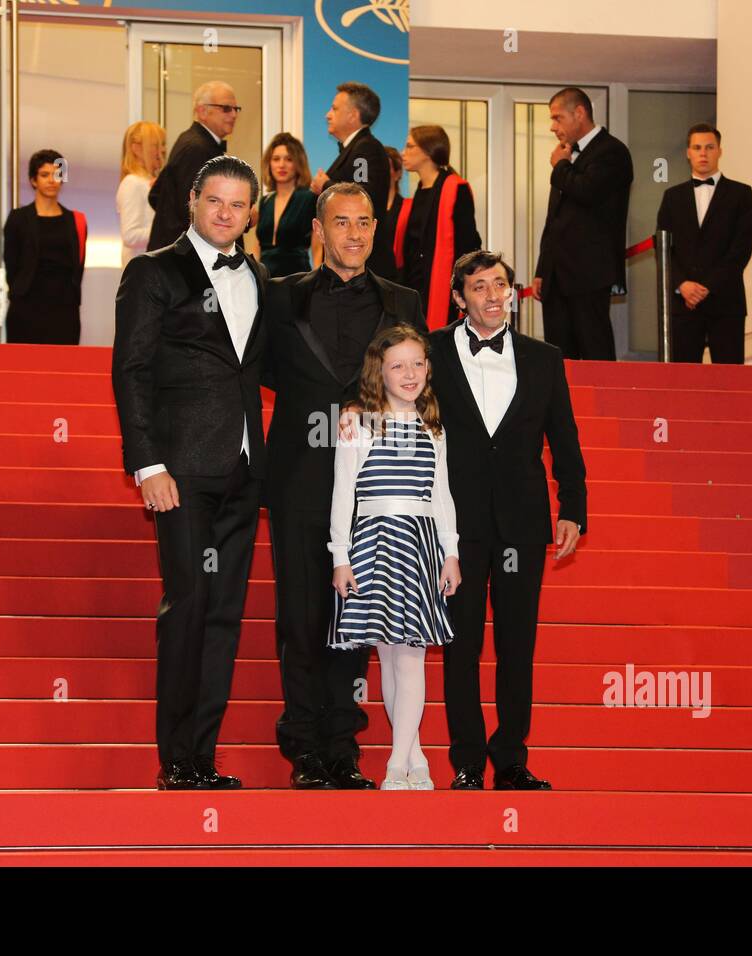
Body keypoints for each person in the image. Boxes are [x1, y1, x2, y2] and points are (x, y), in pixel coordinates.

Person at [111, 155, 269, 790]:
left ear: (250, 214)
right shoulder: (154, 271)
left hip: (243, 469)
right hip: (180, 473)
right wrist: (147, 464)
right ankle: (174, 759)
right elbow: (131, 371)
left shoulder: (258, 274)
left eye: (238, 205)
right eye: (215, 202)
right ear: (192, 203)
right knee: (189, 605)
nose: (226, 214)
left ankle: (203, 757)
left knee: (225, 613)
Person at [262, 182, 425, 789]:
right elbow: (262, 373)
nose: (354, 234)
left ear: (375, 230)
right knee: (301, 613)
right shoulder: (278, 298)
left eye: (364, 223)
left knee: (355, 618)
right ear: (319, 231)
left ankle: (343, 747)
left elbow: (416, 388)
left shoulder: (403, 300)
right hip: (299, 475)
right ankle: (304, 747)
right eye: (341, 223)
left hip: (375, 480)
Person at [430, 251, 587, 790]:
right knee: (462, 644)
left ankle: (512, 760)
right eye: (480, 287)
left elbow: (563, 437)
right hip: (454, 524)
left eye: (502, 284)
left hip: (522, 520)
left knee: (517, 644)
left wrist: (574, 507)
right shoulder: (429, 352)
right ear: (459, 298)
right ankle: (468, 763)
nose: (495, 295)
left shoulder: (544, 357)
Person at [328, 324, 460, 791]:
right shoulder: (357, 423)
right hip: (374, 542)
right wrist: (340, 556)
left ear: (429, 368)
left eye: (417, 364)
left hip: (420, 544)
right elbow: (343, 493)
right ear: (378, 372)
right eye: (397, 365)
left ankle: (395, 765)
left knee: (411, 657)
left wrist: (451, 552)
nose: (410, 374)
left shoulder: (433, 426)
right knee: (388, 655)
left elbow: (441, 494)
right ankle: (415, 758)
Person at [532, 87, 633, 361]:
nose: (553, 127)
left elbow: (588, 192)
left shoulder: (612, 151)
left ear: (579, 113)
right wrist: (543, 269)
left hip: (589, 273)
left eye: (557, 118)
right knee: (558, 356)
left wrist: (560, 167)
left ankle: (604, 405)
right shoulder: (566, 154)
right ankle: (564, 405)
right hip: (557, 275)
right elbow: (555, 218)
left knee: (594, 350)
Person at [654, 123, 752, 364]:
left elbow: (740, 250)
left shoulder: (741, 194)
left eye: (709, 147)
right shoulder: (672, 196)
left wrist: (706, 287)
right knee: (682, 382)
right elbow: (663, 247)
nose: (703, 153)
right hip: (682, 304)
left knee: (729, 382)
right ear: (688, 152)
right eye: (697, 147)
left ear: (720, 151)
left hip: (726, 302)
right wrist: (682, 284)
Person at [393, 125, 481, 329]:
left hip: (442, 288)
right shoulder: (418, 193)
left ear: (428, 151)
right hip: (415, 286)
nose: (403, 153)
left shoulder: (456, 188)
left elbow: (468, 244)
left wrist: (461, 289)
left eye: (409, 146)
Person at [311, 82, 397, 280]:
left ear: (352, 115)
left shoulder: (365, 149)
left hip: (366, 267)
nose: (327, 114)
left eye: (334, 108)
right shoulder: (356, 149)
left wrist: (324, 185)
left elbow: (363, 195)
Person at [2, 149, 87, 345]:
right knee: (24, 371)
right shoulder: (18, 219)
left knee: (62, 370)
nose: (51, 180)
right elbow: (11, 265)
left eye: (57, 174)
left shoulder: (76, 221)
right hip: (26, 308)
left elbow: (78, 266)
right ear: (33, 180)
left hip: (65, 310)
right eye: (44, 175)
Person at [146, 81, 239, 251]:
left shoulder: (194, 142)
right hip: (184, 258)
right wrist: (242, 217)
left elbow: (156, 195)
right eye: (226, 108)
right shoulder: (197, 149)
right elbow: (194, 209)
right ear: (202, 111)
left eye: (236, 109)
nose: (233, 114)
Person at [255, 132, 315, 277]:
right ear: (269, 164)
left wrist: (320, 284)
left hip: (297, 279)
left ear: (298, 163)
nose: (281, 165)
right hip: (266, 279)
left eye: (289, 159)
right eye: (276, 159)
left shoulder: (309, 198)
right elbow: (258, 246)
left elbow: (318, 246)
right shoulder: (265, 201)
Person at [117, 121, 167, 266]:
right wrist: (166, 227)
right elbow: (130, 235)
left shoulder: (148, 182)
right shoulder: (132, 183)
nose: (162, 150)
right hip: (143, 272)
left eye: (163, 144)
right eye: (156, 145)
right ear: (137, 149)